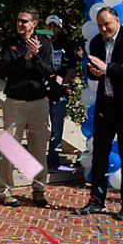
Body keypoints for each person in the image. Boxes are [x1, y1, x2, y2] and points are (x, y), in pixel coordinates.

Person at [75, 7, 123, 221]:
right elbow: (93, 71)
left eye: (107, 24)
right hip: (105, 106)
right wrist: (93, 72)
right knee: (99, 156)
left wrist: (107, 68)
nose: (103, 29)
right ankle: (96, 200)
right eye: (100, 25)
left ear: (117, 20)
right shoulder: (97, 42)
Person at [0, 8, 53, 208]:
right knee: (10, 148)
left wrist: (35, 56)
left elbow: (49, 70)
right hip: (15, 102)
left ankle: (38, 190)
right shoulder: (10, 43)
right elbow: (4, 69)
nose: (20, 24)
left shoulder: (45, 43)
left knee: (39, 148)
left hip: (39, 102)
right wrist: (25, 57)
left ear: (34, 24)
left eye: (24, 21)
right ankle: (5, 191)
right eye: (18, 20)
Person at [45, 14, 77, 172]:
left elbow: (72, 66)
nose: (52, 28)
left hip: (59, 92)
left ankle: (53, 160)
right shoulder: (40, 42)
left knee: (57, 129)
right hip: (41, 92)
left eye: (55, 26)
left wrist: (64, 82)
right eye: (50, 25)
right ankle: (37, 159)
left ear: (59, 27)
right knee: (37, 128)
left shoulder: (66, 44)